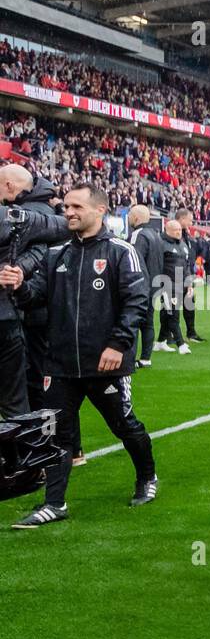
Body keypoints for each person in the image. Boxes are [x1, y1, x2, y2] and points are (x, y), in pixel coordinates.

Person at [1, 183, 157, 527]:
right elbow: (35, 298)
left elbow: (137, 301)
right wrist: (19, 285)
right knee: (56, 434)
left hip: (105, 365)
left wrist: (118, 345)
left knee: (124, 426)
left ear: (100, 210)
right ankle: (54, 503)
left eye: (76, 207)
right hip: (59, 366)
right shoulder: (57, 253)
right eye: (66, 207)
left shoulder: (120, 251)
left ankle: (147, 478)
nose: (68, 212)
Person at [0, 164, 67, 416]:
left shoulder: (16, 214)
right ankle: (27, 452)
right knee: (17, 400)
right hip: (11, 314)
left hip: (16, 311)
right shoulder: (19, 216)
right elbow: (60, 227)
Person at [126, 205, 165, 368]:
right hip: (155, 286)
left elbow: (133, 262)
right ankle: (146, 358)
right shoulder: (156, 235)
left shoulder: (138, 235)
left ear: (136, 218)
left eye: (129, 215)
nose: (128, 218)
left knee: (132, 322)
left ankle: (129, 359)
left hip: (141, 287)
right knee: (148, 323)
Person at [174, 208, 206, 343]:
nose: (191, 222)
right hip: (174, 277)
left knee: (189, 304)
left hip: (187, 276)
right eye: (189, 219)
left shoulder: (187, 236)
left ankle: (191, 333)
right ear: (182, 219)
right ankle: (169, 336)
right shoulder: (171, 235)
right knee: (172, 308)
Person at [157, 219, 189, 355]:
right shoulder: (160, 244)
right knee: (173, 314)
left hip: (181, 284)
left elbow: (186, 265)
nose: (179, 232)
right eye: (176, 229)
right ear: (167, 230)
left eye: (180, 229)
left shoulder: (182, 244)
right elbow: (156, 264)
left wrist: (189, 283)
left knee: (167, 313)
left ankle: (160, 342)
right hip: (167, 284)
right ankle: (181, 344)